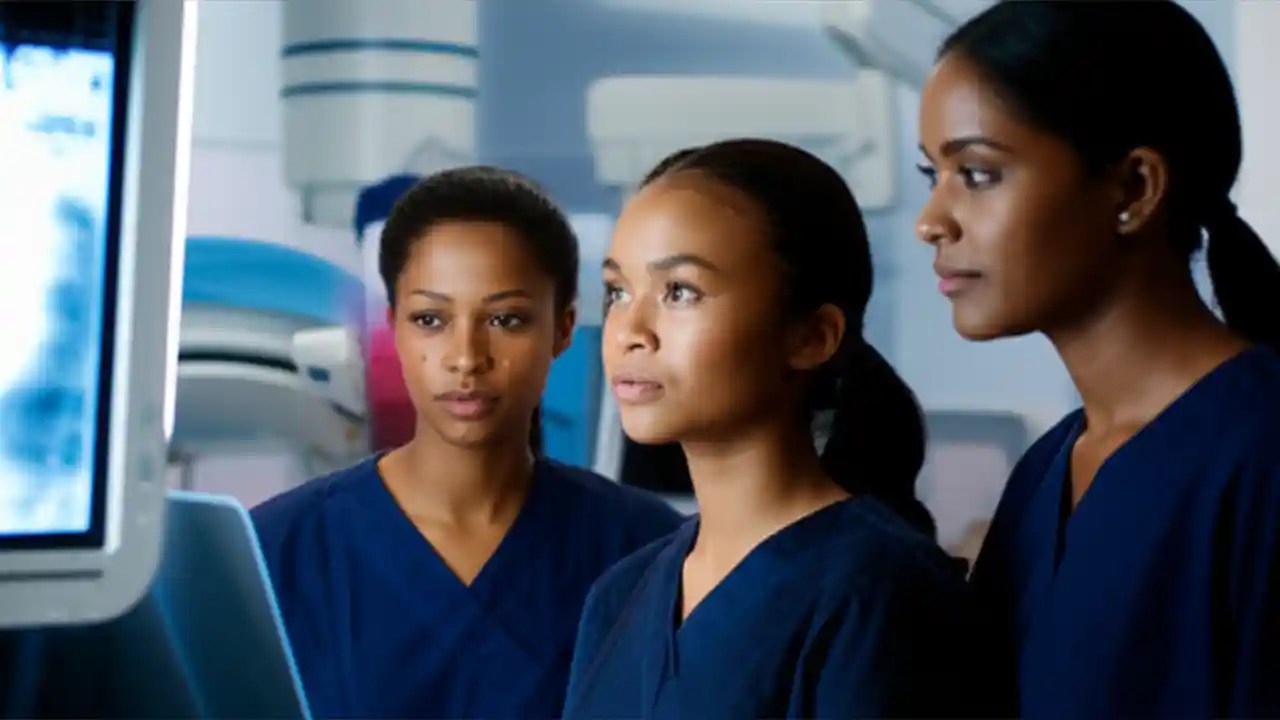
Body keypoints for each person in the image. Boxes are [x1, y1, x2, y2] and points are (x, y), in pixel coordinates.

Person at [915, 2, 1280, 718]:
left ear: (1134, 188)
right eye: (932, 173)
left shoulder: (1260, 454)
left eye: (978, 174)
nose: (933, 219)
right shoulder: (1044, 476)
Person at [563, 139, 984, 719]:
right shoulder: (619, 597)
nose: (630, 331)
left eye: (679, 291)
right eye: (617, 291)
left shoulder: (877, 593)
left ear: (813, 336)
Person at [251, 167, 685, 720]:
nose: (466, 356)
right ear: (394, 328)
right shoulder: (277, 555)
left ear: (563, 328)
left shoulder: (648, 555)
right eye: (431, 319)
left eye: (506, 319)